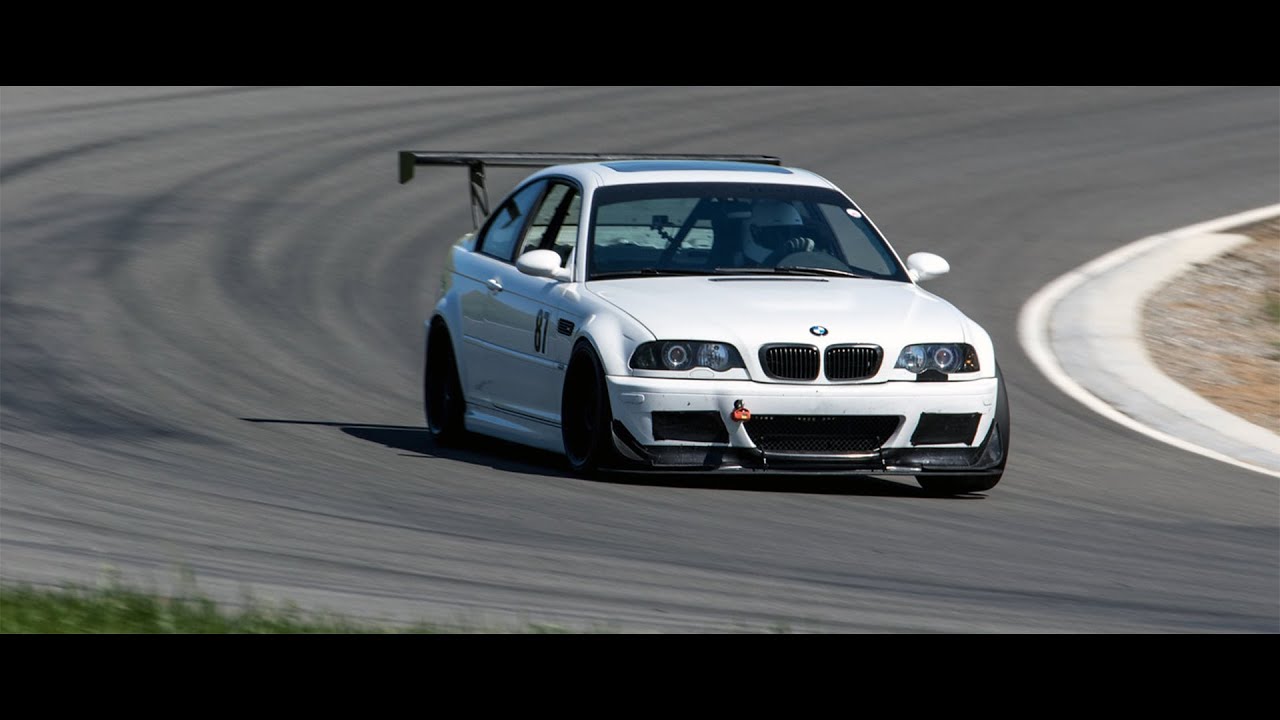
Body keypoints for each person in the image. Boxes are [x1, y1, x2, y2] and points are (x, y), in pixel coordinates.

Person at [740, 200, 817, 266]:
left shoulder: (811, 261)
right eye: (782, 233)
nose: (791, 241)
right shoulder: (742, 271)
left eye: (795, 232)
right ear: (755, 233)